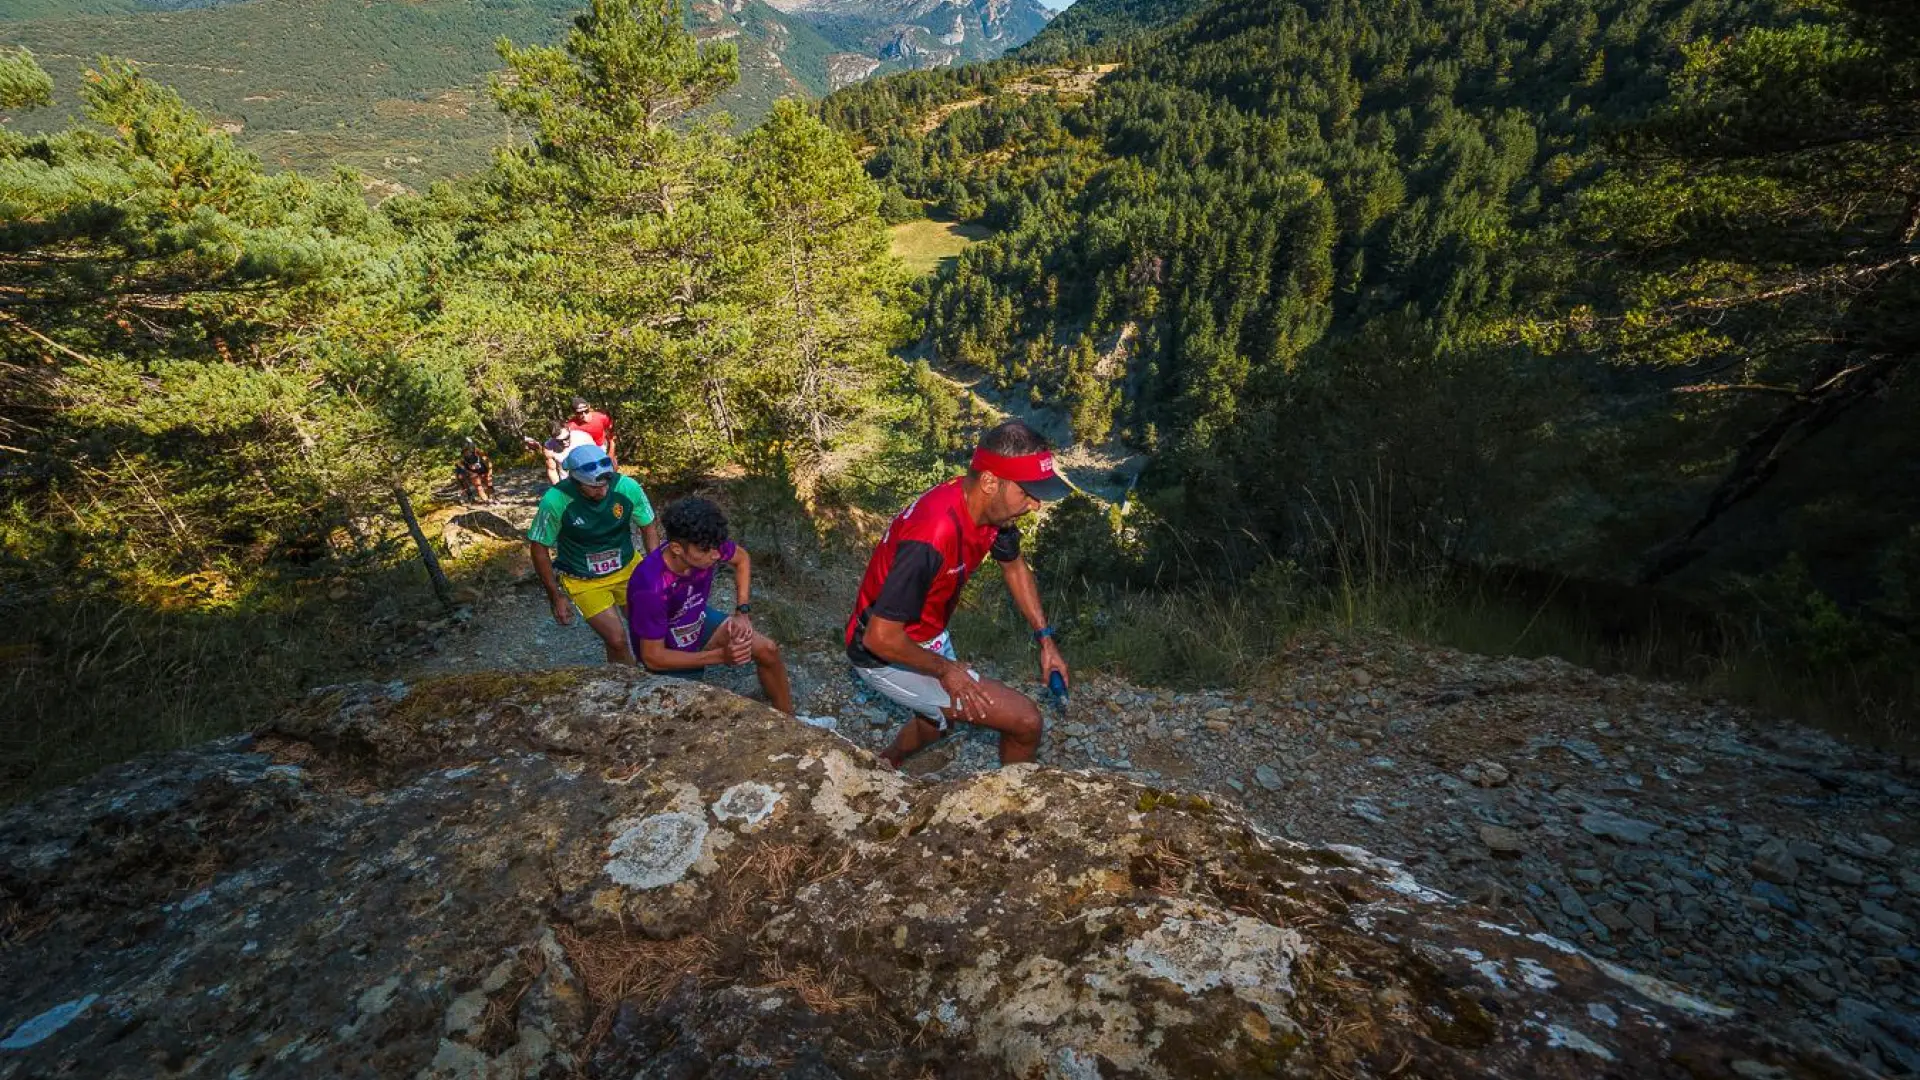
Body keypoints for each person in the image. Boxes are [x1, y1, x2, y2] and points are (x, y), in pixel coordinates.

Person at [846, 419, 1072, 768]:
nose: (1035, 505)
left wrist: (1045, 640)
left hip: (927, 634)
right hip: (884, 653)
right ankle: (1013, 801)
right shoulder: (931, 537)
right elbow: (880, 638)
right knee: (1026, 722)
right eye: (1027, 493)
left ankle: (884, 765)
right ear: (990, 482)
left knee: (939, 722)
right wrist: (946, 670)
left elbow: (1014, 566)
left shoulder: (990, 512)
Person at [627, 497, 794, 714]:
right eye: (706, 551)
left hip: (694, 619)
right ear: (676, 548)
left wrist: (742, 611)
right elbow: (653, 657)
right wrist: (721, 656)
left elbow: (742, 558)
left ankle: (792, 721)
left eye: (717, 547)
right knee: (697, 714)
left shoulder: (706, 544)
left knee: (767, 650)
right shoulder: (651, 587)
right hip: (666, 646)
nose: (716, 555)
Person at [527, 444, 660, 664]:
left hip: (628, 568)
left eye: (606, 484)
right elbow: (539, 546)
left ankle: (654, 671)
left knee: (646, 624)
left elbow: (648, 525)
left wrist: (655, 568)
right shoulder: (555, 500)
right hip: (584, 580)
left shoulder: (627, 487)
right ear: (576, 481)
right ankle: (627, 681)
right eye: (594, 487)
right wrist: (555, 596)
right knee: (616, 640)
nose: (603, 491)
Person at [524, 420, 594, 486]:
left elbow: (596, 457)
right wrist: (558, 487)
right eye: (559, 441)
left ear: (569, 429)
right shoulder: (549, 447)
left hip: (589, 479)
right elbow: (552, 470)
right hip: (568, 483)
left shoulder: (583, 438)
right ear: (552, 438)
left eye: (567, 438)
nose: (564, 442)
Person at [567, 396, 616, 466]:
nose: (584, 415)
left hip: (603, 447)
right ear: (574, 412)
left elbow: (611, 436)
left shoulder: (601, 417)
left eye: (586, 411)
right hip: (586, 453)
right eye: (579, 413)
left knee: (613, 466)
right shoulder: (571, 426)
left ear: (589, 407)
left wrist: (611, 453)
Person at [454, 438, 494, 503]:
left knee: (489, 485)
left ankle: (491, 498)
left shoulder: (477, 451)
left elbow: (488, 461)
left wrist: (490, 472)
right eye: (465, 451)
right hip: (472, 473)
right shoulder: (461, 457)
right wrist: (470, 473)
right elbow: (461, 466)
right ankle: (486, 501)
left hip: (483, 470)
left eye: (468, 450)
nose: (467, 452)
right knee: (479, 487)